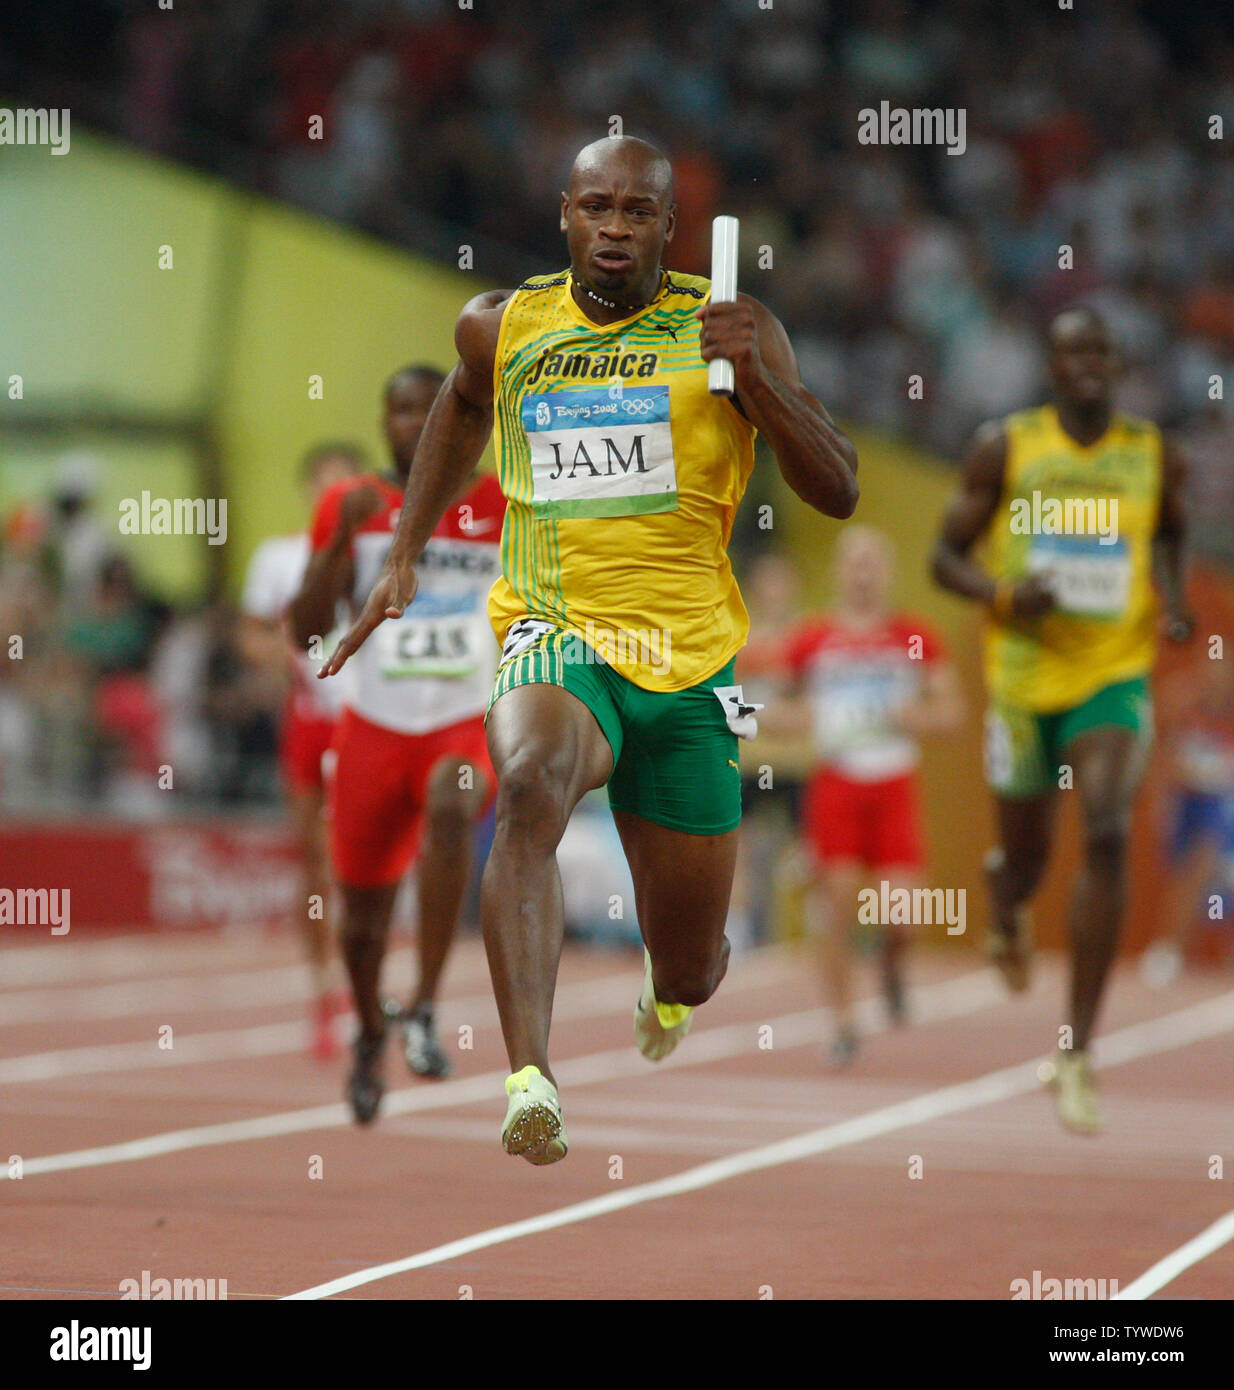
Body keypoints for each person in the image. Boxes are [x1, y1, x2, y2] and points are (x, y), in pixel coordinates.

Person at [321, 135, 859, 1164]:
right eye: (596, 208)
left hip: (689, 661)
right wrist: (403, 552)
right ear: (564, 212)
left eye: (637, 214)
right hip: (556, 631)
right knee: (525, 783)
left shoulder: (725, 327)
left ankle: (669, 987)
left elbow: (836, 487)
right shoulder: (503, 324)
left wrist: (758, 383)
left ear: (668, 225)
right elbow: (461, 405)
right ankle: (531, 1077)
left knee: (695, 964)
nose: (615, 229)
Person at [932, 305, 1193, 1134]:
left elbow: (1173, 537)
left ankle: (1077, 1050)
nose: (1086, 362)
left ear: (1118, 363)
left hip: (1110, 676)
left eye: (1100, 349)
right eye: (1071, 349)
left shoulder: (1154, 455)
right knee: (1029, 861)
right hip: (1021, 680)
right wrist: (1005, 596)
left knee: (1109, 828)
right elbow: (944, 558)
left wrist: (1178, 603)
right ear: (1050, 367)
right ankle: (1003, 903)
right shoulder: (1005, 445)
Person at [291, 367, 506, 1123]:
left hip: (459, 720)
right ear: (383, 421)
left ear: (465, 422)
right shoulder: (354, 504)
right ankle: (369, 1030)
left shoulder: (502, 504)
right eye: (401, 411)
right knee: (360, 926)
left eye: (431, 411)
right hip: (372, 730)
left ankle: (422, 1003)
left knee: (455, 799)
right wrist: (334, 546)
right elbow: (303, 628)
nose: (415, 424)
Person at [776, 526, 963, 1065]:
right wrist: (794, 717)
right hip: (836, 782)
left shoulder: (915, 638)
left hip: (894, 782)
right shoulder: (813, 640)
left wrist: (919, 716)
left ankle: (891, 967)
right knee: (835, 904)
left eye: (872, 564)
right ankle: (840, 1020)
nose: (862, 574)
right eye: (853, 563)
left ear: (887, 573)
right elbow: (784, 711)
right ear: (838, 571)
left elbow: (953, 712)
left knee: (903, 915)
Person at [240, 442, 363, 1060]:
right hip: (309, 721)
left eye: (343, 487)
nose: (330, 498)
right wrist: (290, 655)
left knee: (360, 863)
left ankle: (365, 985)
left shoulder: (378, 553)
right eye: (322, 487)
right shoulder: (279, 557)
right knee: (313, 861)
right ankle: (323, 991)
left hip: (367, 720)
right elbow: (252, 633)